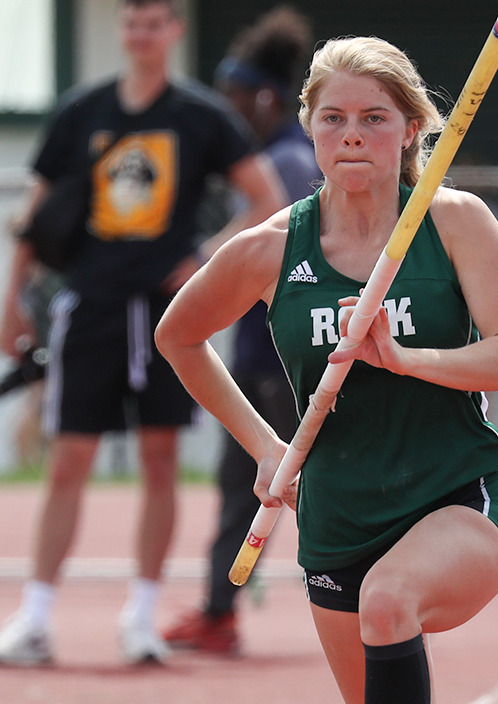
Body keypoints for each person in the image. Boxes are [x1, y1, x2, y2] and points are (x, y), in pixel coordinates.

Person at [156, 37, 498, 704]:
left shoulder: (452, 222)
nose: (354, 135)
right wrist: (266, 445)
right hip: (335, 519)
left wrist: (405, 357)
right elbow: (178, 336)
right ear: (308, 131)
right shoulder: (273, 244)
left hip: (459, 502)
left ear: (411, 130)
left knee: (391, 602)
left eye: (374, 118)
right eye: (334, 118)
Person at [0, 0, 285, 667]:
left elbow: (266, 199)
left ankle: (141, 617)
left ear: (175, 30)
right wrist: (12, 304)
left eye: (155, 22)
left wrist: (205, 257)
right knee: (68, 461)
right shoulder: (82, 111)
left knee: (159, 461)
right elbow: (33, 216)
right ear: (123, 32)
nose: (142, 34)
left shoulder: (202, 115)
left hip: (166, 311)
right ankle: (35, 618)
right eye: (132, 22)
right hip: (89, 304)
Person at [160, 5, 321, 657]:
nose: (228, 111)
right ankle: (221, 607)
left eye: (235, 97)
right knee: (253, 479)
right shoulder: (277, 154)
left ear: (266, 96)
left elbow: (273, 247)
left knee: (271, 481)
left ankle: (227, 609)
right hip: (264, 346)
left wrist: (199, 268)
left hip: (277, 352)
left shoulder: (285, 161)